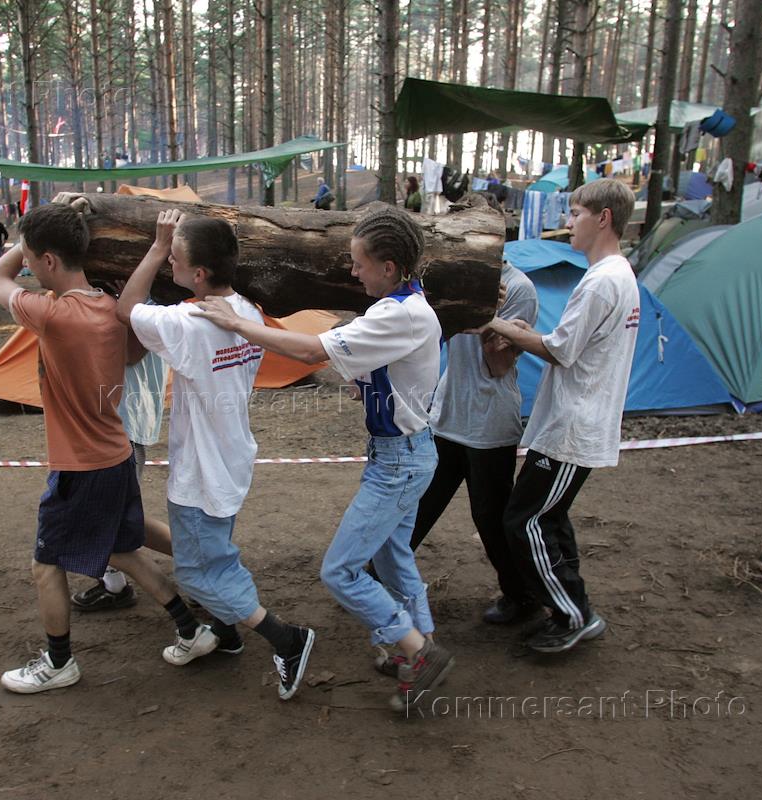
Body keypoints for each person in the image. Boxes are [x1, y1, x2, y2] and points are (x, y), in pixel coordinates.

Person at [193, 206, 449, 714]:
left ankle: (419, 653)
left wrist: (237, 324)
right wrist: (373, 388)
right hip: (407, 454)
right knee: (394, 558)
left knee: (341, 572)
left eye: (359, 263)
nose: (353, 272)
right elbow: (380, 369)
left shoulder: (400, 313)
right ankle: (423, 647)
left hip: (399, 462)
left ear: (389, 267)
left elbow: (311, 352)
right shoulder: (400, 306)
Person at [0, 202, 214, 694]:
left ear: (46, 261)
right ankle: (192, 629)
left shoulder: (52, 314)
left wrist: (21, 242)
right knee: (122, 549)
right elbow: (133, 350)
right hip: (114, 453)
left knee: (45, 565)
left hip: (81, 466)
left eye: (32, 256)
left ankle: (59, 662)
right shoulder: (114, 311)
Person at [117, 208, 317, 701]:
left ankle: (287, 639)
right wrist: (173, 245)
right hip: (229, 458)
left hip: (200, 472)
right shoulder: (244, 311)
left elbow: (126, 308)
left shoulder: (189, 321)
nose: (171, 268)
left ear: (199, 273)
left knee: (198, 572)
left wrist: (156, 245)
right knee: (214, 555)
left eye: (178, 260)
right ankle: (226, 635)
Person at [477, 178, 640, 654]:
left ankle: (574, 614)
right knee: (549, 518)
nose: (568, 222)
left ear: (602, 218)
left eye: (576, 213)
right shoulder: (615, 275)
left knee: (523, 520)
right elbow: (576, 342)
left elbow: (562, 350)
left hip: (574, 427)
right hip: (571, 422)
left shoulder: (603, 280)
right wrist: (524, 331)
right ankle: (564, 605)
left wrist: (493, 323)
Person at [406, 261, 538, 627]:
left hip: (489, 421)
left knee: (490, 516)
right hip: (448, 413)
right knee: (420, 499)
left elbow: (499, 365)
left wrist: (488, 314)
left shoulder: (519, 289)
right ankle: (383, 571)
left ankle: (521, 596)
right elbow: (434, 337)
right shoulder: (456, 275)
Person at [71, 288, 173, 613]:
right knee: (111, 517)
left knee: (115, 520)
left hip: (126, 422)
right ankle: (114, 585)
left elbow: (130, 352)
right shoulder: (120, 293)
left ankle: (207, 562)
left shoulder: (154, 300)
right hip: (110, 421)